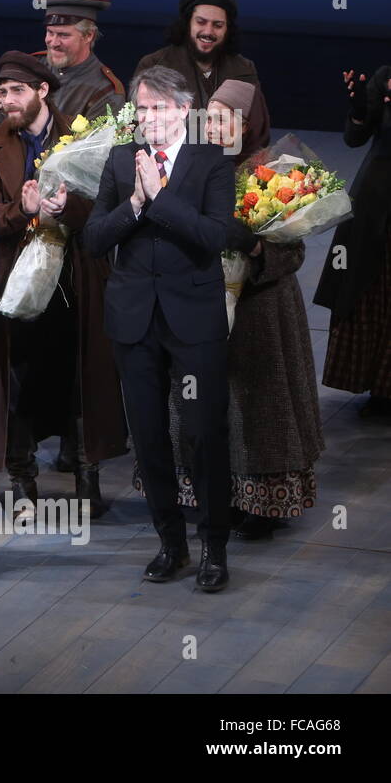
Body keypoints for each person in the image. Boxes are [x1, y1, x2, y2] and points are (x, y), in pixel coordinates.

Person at [82, 64, 234, 591]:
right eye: (142, 108)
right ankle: (171, 544)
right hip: (134, 320)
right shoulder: (122, 160)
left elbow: (215, 236)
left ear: (184, 110)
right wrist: (136, 201)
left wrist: (161, 198)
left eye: (159, 108)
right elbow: (95, 238)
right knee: (148, 437)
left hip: (193, 319)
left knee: (202, 433)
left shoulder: (211, 162)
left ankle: (215, 547)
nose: (150, 119)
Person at [155, 79, 322, 539]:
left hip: (260, 315)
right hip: (198, 305)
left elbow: (294, 254)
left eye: (229, 118)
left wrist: (251, 247)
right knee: (201, 404)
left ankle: (262, 502)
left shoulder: (275, 171)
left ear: (249, 125)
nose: (216, 125)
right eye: (211, 116)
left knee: (256, 408)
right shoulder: (186, 165)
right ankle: (207, 495)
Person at [0, 51, 127, 516]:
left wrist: (67, 211)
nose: (7, 102)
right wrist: (25, 209)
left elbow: (108, 207)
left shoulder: (83, 138)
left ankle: (87, 476)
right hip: (19, 281)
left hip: (76, 274)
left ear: (42, 91)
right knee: (21, 380)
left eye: (17, 92)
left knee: (80, 376)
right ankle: (23, 483)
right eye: (3, 93)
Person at [314, 65, 391, 418]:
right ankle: (380, 389)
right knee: (370, 294)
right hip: (377, 203)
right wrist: (361, 112)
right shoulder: (385, 76)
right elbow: (354, 138)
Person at [136, 0, 271, 155]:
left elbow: (257, 131)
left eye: (218, 25)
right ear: (187, 24)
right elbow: (140, 127)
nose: (208, 31)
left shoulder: (244, 69)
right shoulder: (154, 65)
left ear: (227, 29)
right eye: (201, 22)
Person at [0, 0, 125, 136]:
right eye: (50, 33)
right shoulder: (29, 66)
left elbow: (92, 151)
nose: (54, 43)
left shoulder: (105, 90)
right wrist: (4, 112)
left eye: (64, 35)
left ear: (88, 36)